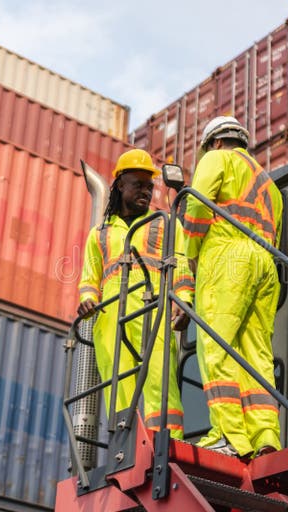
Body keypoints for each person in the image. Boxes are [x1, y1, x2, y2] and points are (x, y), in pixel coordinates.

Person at [183, 116, 283, 458]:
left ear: (214, 142)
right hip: (266, 266)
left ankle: (229, 436)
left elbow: (196, 204)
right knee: (257, 356)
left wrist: (192, 254)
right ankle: (266, 436)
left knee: (216, 348)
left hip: (226, 258)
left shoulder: (216, 159)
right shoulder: (271, 187)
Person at [77, 149, 194, 440]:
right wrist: (86, 300)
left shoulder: (166, 223)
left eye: (149, 186)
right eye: (138, 185)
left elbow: (181, 267)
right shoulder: (100, 233)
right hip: (110, 321)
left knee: (160, 380)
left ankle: (167, 443)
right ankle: (125, 444)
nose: (146, 191)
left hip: (154, 314)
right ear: (119, 185)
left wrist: (184, 301)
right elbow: (89, 280)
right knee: (117, 387)